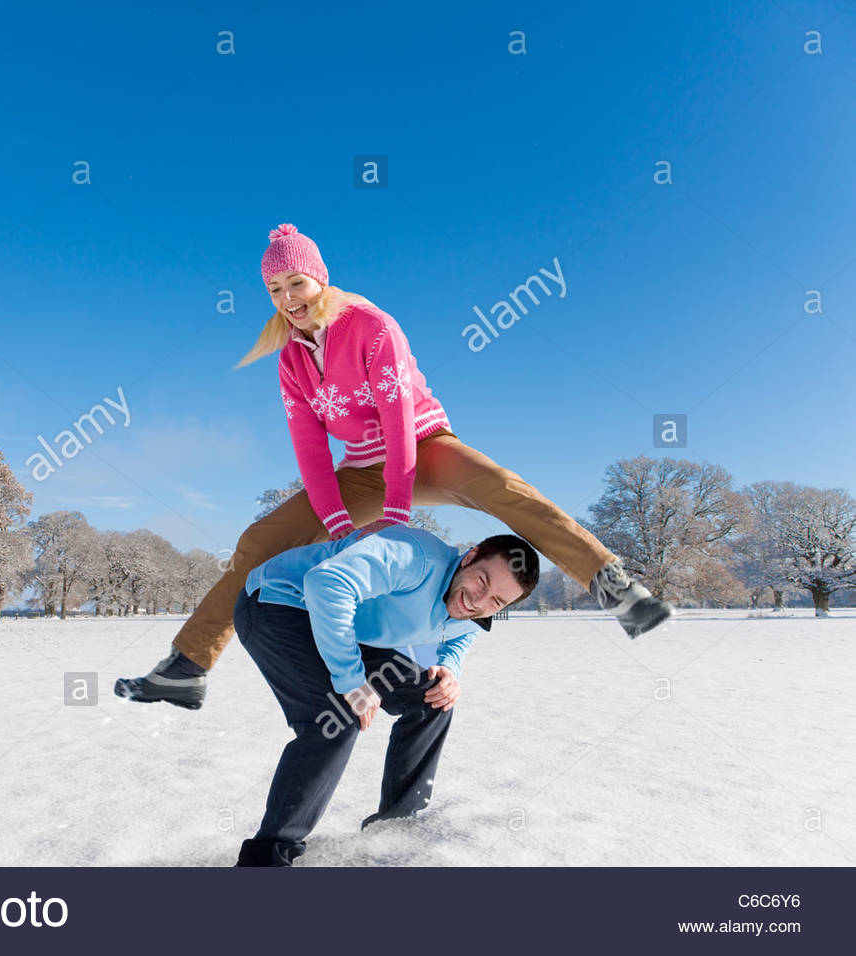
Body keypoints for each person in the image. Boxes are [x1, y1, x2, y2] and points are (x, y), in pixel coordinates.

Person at [115, 224, 670, 711]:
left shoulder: (372, 326)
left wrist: (397, 515)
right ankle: (186, 669)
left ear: (320, 280)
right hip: (360, 471)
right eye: (276, 290)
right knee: (260, 538)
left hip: (424, 446)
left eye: (297, 284)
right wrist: (338, 524)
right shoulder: (289, 359)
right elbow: (310, 450)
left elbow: (399, 421)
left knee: (503, 490)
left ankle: (617, 588)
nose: (289, 299)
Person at [233, 525, 538, 866]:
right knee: (336, 718)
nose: (478, 602)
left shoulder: (473, 607)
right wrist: (351, 680)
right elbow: (326, 583)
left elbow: (462, 631)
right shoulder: (413, 555)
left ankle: (396, 825)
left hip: (344, 628)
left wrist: (449, 666)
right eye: (482, 581)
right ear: (469, 557)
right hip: (278, 603)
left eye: (496, 601)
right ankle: (268, 856)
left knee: (432, 699)